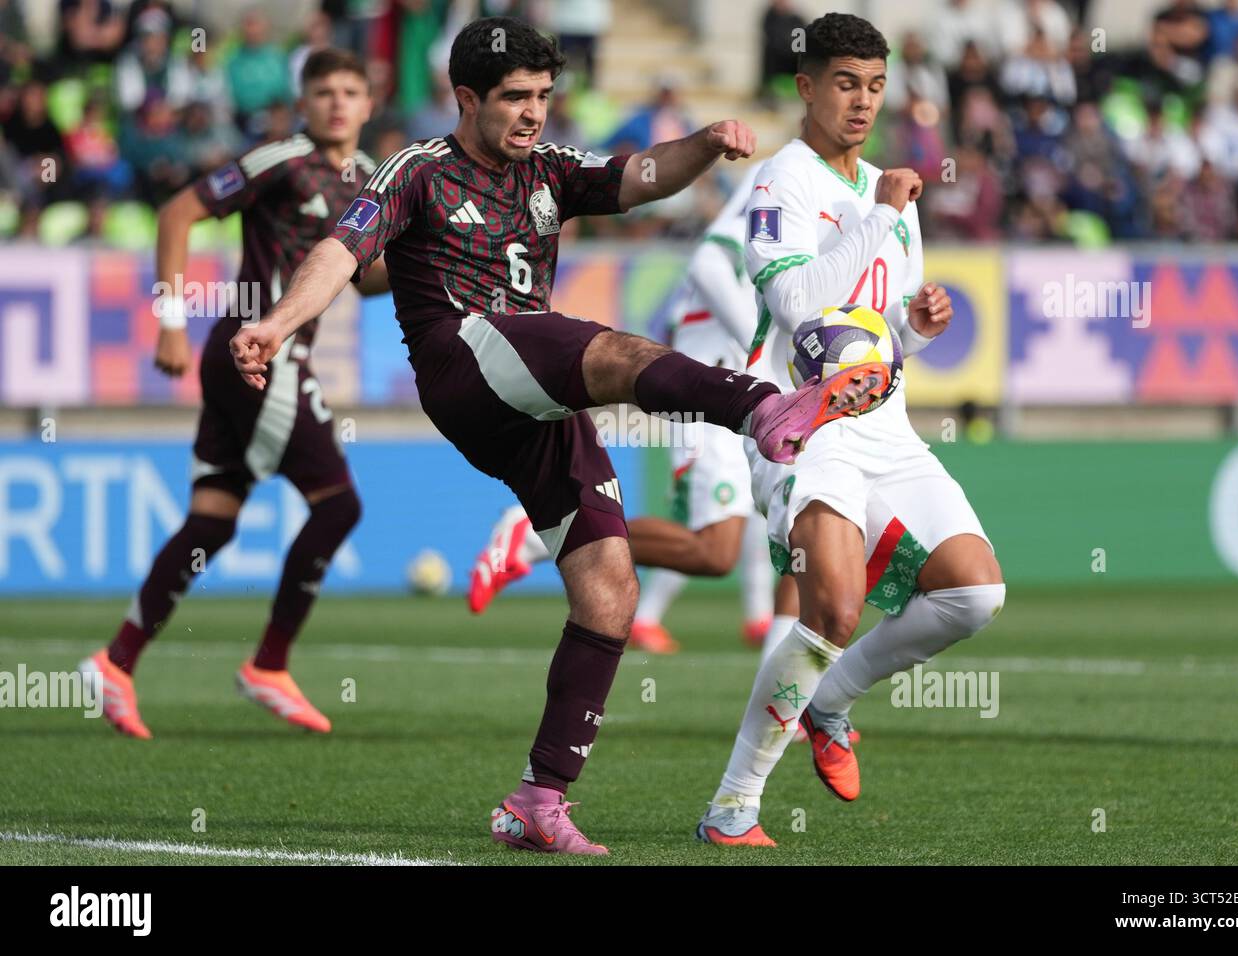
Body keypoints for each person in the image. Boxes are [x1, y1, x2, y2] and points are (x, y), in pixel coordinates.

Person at [228, 17, 881, 856]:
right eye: (514, 98)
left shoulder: (551, 169)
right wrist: (277, 324)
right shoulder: (418, 170)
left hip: (528, 394)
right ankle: (760, 407)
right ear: (466, 98)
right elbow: (339, 250)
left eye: (543, 95)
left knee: (610, 590)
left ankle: (539, 798)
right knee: (612, 351)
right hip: (464, 359)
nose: (534, 113)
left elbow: (642, 176)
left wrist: (708, 143)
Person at [695, 13, 1006, 847]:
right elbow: (799, 309)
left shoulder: (888, 194)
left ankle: (830, 702)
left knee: (975, 592)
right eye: (845, 83)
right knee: (832, 606)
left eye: (874, 84)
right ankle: (732, 808)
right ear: (805, 86)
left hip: (887, 426)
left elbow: (878, 330)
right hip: (804, 422)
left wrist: (920, 324)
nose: (863, 101)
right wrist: (878, 213)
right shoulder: (780, 184)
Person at [79, 49, 385, 740]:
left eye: (351, 90)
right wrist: (168, 321)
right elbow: (176, 214)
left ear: (370, 103)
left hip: (263, 359)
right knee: (338, 506)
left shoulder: (369, 182)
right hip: (255, 353)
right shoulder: (280, 158)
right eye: (324, 91)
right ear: (303, 102)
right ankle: (269, 664)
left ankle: (115, 660)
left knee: (213, 520)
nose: (337, 102)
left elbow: (365, 279)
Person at [466, 166, 777, 653]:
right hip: (714, 410)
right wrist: (756, 355)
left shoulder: (783, 245)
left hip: (745, 410)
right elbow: (705, 271)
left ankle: (792, 675)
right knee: (715, 551)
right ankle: (539, 530)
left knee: (753, 536)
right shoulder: (747, 233)